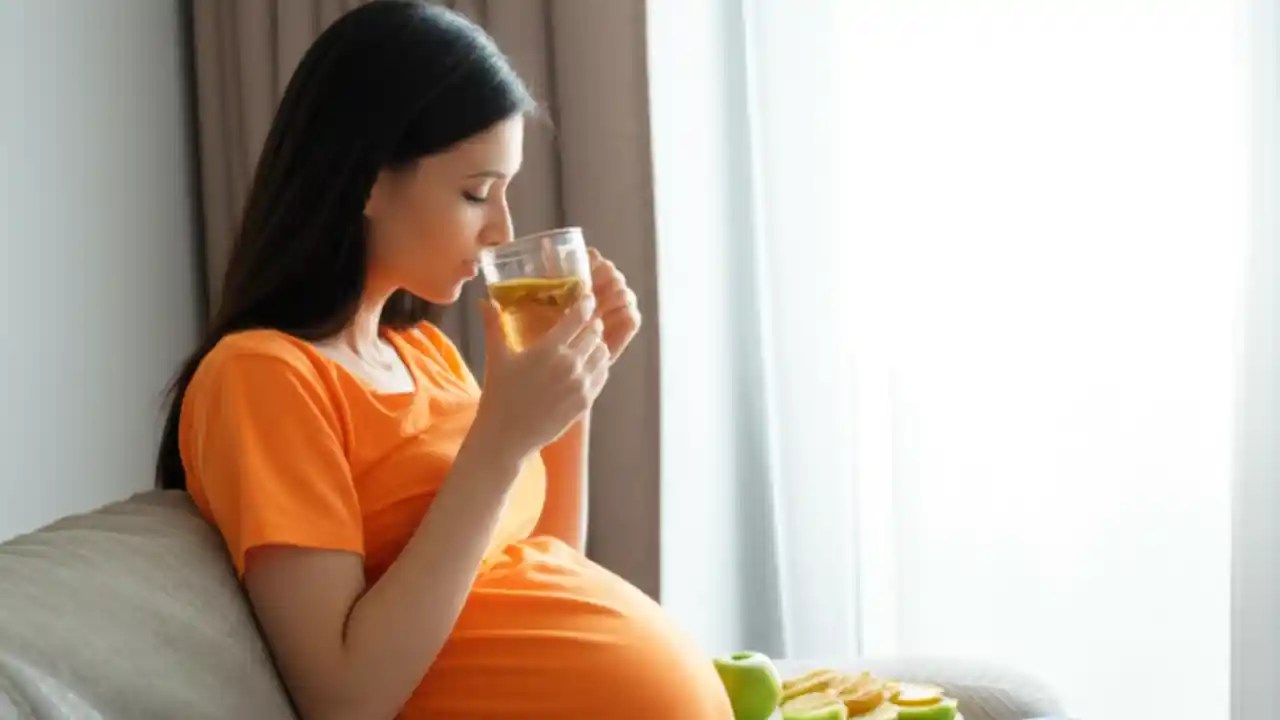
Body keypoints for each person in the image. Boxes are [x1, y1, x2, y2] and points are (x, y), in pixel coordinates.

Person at [154, 3, 732, 718]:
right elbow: (345, 698)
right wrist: (501, 439)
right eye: (476, 192)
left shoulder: (424, 355)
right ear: (367, 178)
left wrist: (571, 391)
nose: (503, 230)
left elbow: (546, 562)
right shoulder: (262, 377)